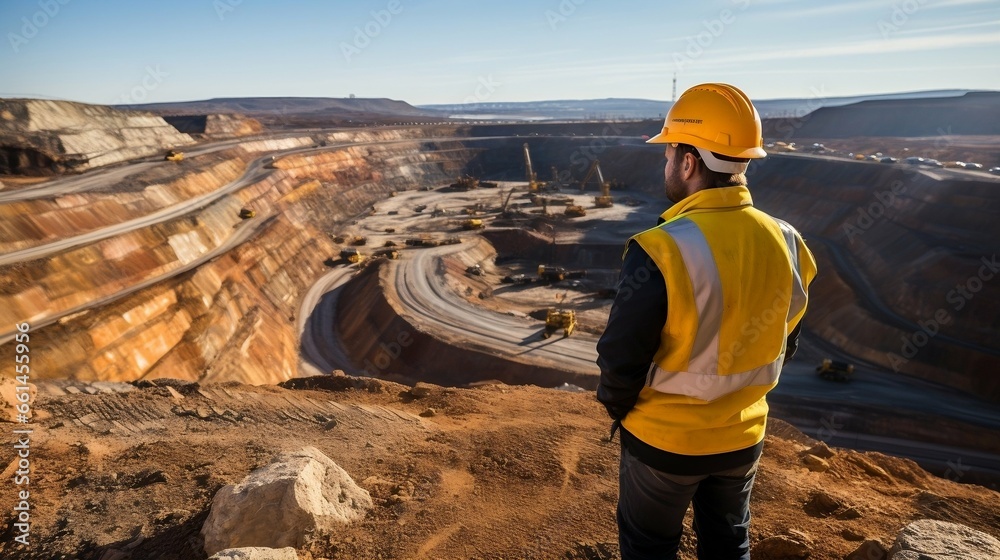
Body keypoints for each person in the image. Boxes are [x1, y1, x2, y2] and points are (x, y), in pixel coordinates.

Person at [596, 82, 818, 560]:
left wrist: (622, 413)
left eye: (669, 153)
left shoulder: (659, 248)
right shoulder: (789, 241)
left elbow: (619, 358)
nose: (666, 164)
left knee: (649, 547)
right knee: (727, 544)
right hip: (742, 439)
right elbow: (787, 342)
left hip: (662, 442)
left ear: (690, 162)